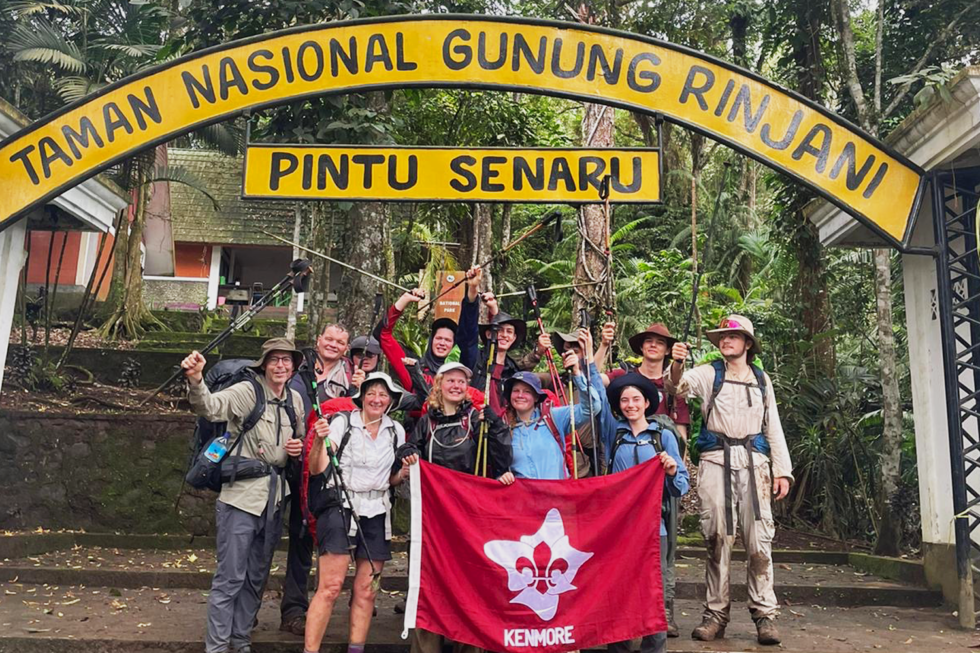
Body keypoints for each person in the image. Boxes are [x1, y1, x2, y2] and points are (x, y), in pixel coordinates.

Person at [666, 315, 793, 646]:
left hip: (756, 465)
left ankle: (765, 615)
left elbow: (773, 425)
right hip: (716, 461)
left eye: (733, 337)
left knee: (758, 542)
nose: (726, 340)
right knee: (717, 538)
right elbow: (677, 387)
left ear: (747, 344)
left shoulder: (762, 380)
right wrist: (677, 363)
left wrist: (782, 470)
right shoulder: (710, 374)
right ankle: (715, 614)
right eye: (722, 336)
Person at [180, 338, 309, 653]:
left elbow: (301, 438)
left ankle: (240, 641)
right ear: (264, 364)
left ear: (294, 366)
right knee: (230, 577)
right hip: (241, 497)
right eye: (275, 359)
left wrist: (299, 448)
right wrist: (196, 379)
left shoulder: (295, 400)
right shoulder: (247, 391)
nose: (281, 365)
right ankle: (218, 646)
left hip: (275, 499)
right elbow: (209, 407)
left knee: (256, 577)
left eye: (286, 360)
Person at [396, 362, 514, 653]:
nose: (456, 386)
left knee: (468, 581)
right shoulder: (426, 422)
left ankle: (469, 643)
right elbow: (412, 448)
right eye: (451, 380)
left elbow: (501, 457)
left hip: (469, 515)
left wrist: (496, 424)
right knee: (429, 581)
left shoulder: (476, 419)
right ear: (439, 384)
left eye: (462, 382)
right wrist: (409, 452)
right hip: (433, 518)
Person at [596, 322, 692, 636]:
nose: (631, 404)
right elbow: (595, 388)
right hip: (623, 508)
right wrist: (598, 346)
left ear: (647, 402)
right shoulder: (623, 384)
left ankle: (663, 617)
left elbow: (680, 389)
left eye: (660, 343)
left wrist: (674, 466)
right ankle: (622, 619)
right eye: (625, 400)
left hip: (658, 498)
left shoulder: (669, 398)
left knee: (663, 556)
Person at [304, 372, 407, 653]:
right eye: (371, 392)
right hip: (341, 506)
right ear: (361, 396)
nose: (377, 399)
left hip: (377, 510)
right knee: (332, 586)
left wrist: (404, 472)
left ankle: (356, 648)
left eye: (383, 394)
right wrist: (318, 441)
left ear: (391, 400)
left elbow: (391, 479)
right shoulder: (342, 422)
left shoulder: (396, 430)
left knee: (366, 590)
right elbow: (317, 469)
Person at [281, 322, 353, 635]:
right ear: (319, 339)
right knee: (295, 538)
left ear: (346, 348)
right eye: (330, 339)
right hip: (291, 461)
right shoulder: (299, 370)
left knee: (318, 538)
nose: (333, 344)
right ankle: (290, 610)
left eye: (340, 341)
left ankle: (312, 611)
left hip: (326, 469)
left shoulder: (351, 381)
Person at [377, 267, 482, 411]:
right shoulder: (413, 367)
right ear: (431, 340)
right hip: (420, 431)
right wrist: (404, 300)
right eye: (438, 338)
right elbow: (384, 336)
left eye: (447, 340)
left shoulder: (459, 372)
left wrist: (472, 290)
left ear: (453, 345)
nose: (442, 343)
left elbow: (469, 336)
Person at [503, 329, 602, 480]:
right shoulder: (504, 426)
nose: (521, 395)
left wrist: (577, 374)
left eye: (527, 391)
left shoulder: (553, 418)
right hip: (523, 499)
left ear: (537, 397)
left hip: (557, 497)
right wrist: (501, 476)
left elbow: (593, 407)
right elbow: (498, 465)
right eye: (516, 391)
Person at [465, 293, 551, 413]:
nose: (505, 335)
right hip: (476, 422)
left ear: (514, 337)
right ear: (488, 334)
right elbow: (468, 333)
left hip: (504, 426)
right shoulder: (475, 358)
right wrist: (472, 293)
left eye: (509, 331)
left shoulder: (511, 367)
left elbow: (524, 369)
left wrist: (539, 351)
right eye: (500, 330)